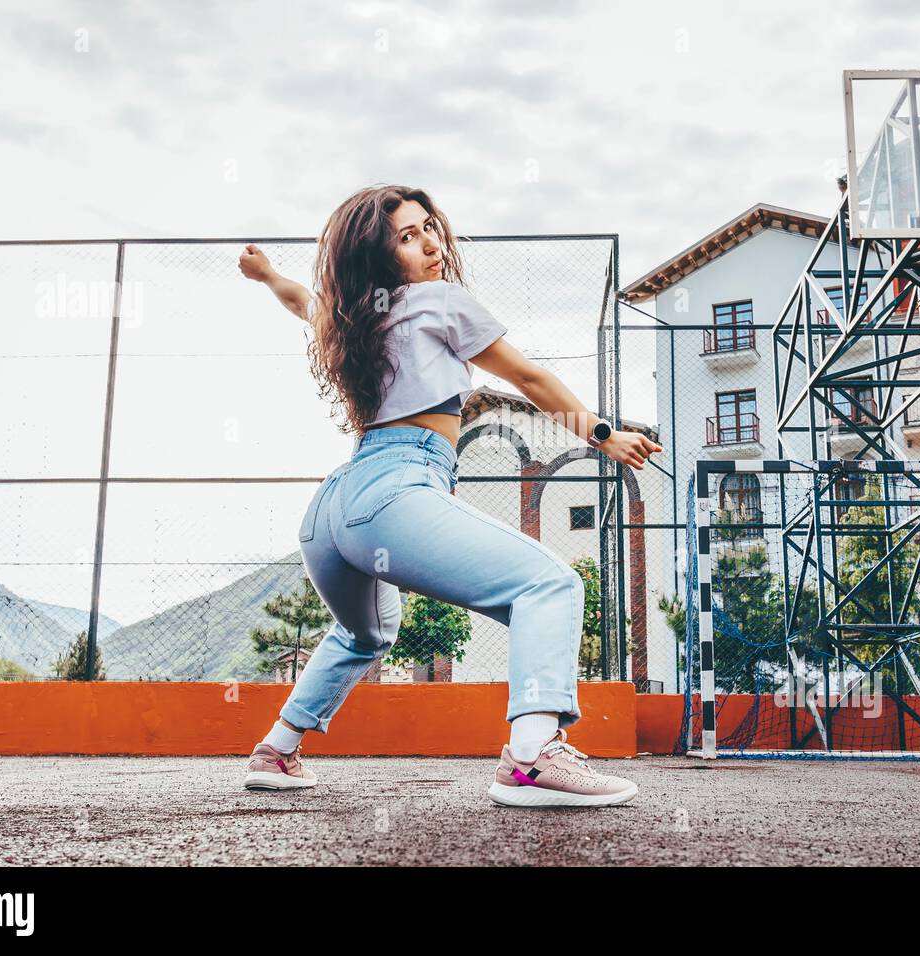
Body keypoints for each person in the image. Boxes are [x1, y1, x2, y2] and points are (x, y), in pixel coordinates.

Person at [235, 184, 662, 808]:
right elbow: (528, 378)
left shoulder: (352, 316)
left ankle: (276, 749)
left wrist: (266, 273)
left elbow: (303, 299)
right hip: (394, 490)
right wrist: (603, 434)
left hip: (333, 510)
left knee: (366, 634)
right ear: (382, 258)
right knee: (550, 585)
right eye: (406, 238)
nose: (430, 242)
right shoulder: (438, 301)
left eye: (428, 226)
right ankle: (530, 758)